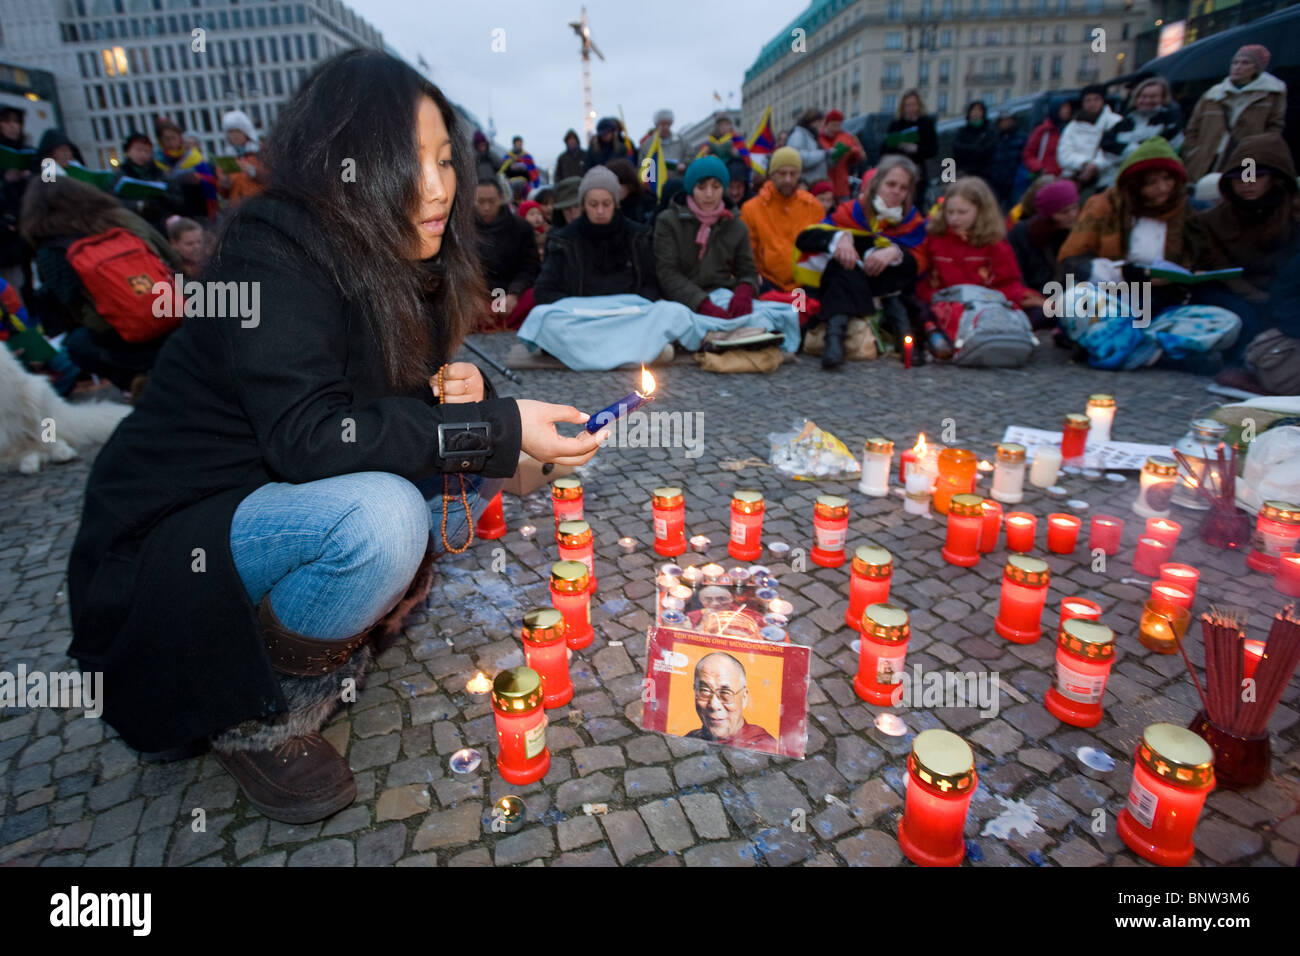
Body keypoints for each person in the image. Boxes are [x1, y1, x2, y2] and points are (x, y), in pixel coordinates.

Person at [66, 51, 604, 822]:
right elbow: (311, 436)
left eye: (446, 160)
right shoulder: (271, 248)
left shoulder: (392, 256)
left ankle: (331, 627)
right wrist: (494, 426)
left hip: (271, 500)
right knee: (386, 517)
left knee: (461, 456)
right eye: (407, 161)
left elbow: (380, 410)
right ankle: (258, 716)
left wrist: (462, 397)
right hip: (170, 539)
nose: (438, 187)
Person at [20, 176, 183, 394]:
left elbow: (75, 308)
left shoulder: (51, 249)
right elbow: (172, 259)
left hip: (122, 338)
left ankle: (136, 383)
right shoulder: (123, 218)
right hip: (175, 315)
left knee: (77, 345)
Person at [795, 155, 930, 368]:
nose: (896, 192)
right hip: (849, 283)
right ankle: (834, 341)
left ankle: (905, 341)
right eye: (891, 184)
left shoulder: (913, 221)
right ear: (877, 184)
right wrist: (839, 239)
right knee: (841, 266)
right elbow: (805, 239)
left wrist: (895, 252)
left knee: (897, 281)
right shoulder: (852, 211)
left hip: (885, 287)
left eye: (903, 188)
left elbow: (919, 263)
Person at [1058, 136, 1210, 318]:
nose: (1162, 188)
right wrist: (1131, 274)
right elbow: (1074, 262)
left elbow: (1202, 257)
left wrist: (1188, 274)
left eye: (1167, 179)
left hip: (1171, 295)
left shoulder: (1188, 211)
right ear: (1136, 185)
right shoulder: (1105, 207)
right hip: (1114, 291)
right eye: (1151, 183)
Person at [1196, 133, 1300, 365]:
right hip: (1233, 290)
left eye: (1257, 176)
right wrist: (1260, 298)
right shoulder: (1212, 221)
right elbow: (1219, 267)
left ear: (1276, 178)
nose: (1246, 183)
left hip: (1284, 293)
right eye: (1238, 177)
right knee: (1247, 319)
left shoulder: (1293, 216)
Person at [918, 176, 1042, 319]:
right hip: (942, 307)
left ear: (981, 211)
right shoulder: (934, 237)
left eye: (962, 212)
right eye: (950, 212)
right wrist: (937, 299)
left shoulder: (994, 242)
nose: (954, 218)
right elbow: (922, 281)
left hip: (987, 309)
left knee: (1039, 313)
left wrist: (1020, 297)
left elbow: (1008, 282)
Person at [533, 165, 658, 304]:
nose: (600, 211)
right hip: (579, 317)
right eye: (593, 204)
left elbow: (651, 283)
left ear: (616, 204)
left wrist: (636, 305)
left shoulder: (638, 236)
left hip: (631, 315)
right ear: (583, 205)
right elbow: (544, 289)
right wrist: (575, 307)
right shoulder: (563, 241)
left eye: (606, 204)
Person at [653, 156, 759, 317]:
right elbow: (668, 273)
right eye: (701, 187)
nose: (709, 194)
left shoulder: (736, 225)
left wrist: (744, 291)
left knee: (772, 316)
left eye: (716, 187)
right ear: (691, 189)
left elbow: (748, 271)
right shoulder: (669, 222)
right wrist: (701, 304)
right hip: (681, 301)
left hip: (723, 295)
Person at [1182, 45, 1287, 183]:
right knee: (1204, 194)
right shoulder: (1213, 95)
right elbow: (1193, 129)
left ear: (1256, 68)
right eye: (1235, 62)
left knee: (1244, 192)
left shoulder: (1272, 93)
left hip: (1248, 159)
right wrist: (1193, 153)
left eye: (1245, 63)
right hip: (1208, 158)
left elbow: (1274, 127)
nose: (1238, 67)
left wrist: (1260, 153)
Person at [739, 146, 824, 292]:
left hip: (805, 284)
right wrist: (754, 275)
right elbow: (746, 253)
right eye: (782, 173)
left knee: (801, 313)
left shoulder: (812, 206)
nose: (788, 179)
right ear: (772, 174)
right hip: (768, 284)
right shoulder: (751, 209)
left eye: (793, 173)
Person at [473, 177, 541, 331]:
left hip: (512, 293)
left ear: (502, 199)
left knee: (536, 297)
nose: (486, 207)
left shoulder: (521, 228)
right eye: (481, 202)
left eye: (492, 201)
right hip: (478, 297)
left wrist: (513, 295)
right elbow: (460, 269)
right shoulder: (464, 230)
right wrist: (473, 297)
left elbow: (530, 267)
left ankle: (492, 324)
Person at [1099, 77, 1184, 188]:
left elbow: (1161, 153)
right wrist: (1139, 149)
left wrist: (1126, 151)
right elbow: (1106, 148)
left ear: (1163, 98)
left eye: (1153, 97)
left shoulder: (1171, 124)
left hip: (1152, 186)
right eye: (1143, 96)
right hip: (1116, 182)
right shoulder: (1122, 124)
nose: (1147, 100)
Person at [684, 653, 778, 753]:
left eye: (725, 693)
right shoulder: (691, 737)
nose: (714, 705)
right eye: (704, 691)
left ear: (744, 698)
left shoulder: (762, 746)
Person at [1007, 178, 1079, 298]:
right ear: (1050, 215)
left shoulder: (1071, 230)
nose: (1073, 215)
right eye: (1064, 212)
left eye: (1075, 208)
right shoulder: (1023, 235)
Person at [1056, 85, 1122, 193]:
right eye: (1088, 100)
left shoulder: (1115, 122)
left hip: (1107, 181)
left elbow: (1115, 152)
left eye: (1096, 99)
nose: (1092, 103)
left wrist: (1095, 166)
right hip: (1076, 180)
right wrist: (1084, 164)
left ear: (1102, 101)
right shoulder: (1072, 126)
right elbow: (1064, 154)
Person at [881, 90, 938, 209]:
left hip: (918, 173)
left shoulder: (926, 124)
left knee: (916, 206)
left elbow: (933, 150)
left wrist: (917, 149)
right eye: (907, 105)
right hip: (898, 169)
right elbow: (884, 149)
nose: (910, 108)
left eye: (913, 104)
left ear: (919, 106)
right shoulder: (896, 124)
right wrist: (898, 145)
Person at [154, 117, 218, 221]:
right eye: (166, 139)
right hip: (172, 213)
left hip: (198, 211)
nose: (171, 142)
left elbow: (211, 180)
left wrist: (199, 179)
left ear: (180, 137)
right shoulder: (157, 162)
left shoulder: (194, 157)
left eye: (173, 137)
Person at [114, 132, 176, 234]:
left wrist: (161, 199)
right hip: (131, 226)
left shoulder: (159, 174)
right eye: (138, 150)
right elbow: (113, 201)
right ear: (128, 151)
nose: (143, 154)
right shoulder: (119, 176)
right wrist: (137, 205)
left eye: (147, 151)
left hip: (160, 226)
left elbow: (176, 198)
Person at [1, 106, 33, 294]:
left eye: (16, 122)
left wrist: (31, 176)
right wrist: (5, 179)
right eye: (7, 121)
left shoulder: (30, 151)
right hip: (8, 228)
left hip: (31, 219)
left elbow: (51, 180)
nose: (13, 127)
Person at [216, 109, 267, 209]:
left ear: (246, 132)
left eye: (238, 131)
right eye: (230, 132)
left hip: (260, 206)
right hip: (237, 209)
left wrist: (255, 172)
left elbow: (274, 179)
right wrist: (224, 184)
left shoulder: (261, 153)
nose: (234, 135)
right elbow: (223, 194)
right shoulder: (225, 158)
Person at [1022, 95, 1073, 182]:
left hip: (1067, 179)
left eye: (1068, 107)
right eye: (1063, 107)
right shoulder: (1043, 130)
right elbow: (1029, 154)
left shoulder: (1072, 129)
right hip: (1046, 178)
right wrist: (1040, 169)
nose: (1067, 110)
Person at [819, 109, 865, 202]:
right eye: (834, 124)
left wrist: (851, 152)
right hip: (824, 183)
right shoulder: (819, 137)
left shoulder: (845, 137)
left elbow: (858, 155)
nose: (837, 127)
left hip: (842, 186)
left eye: (839, 124)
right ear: (827, 124)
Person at [989, 112, 1028, 210]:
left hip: (1016, 183)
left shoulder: (1022, 138)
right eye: (1003, 120)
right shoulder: (994, 139)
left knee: (1017, 211)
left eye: (1008, 120)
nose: (1006, 123)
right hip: (997, 183)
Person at [952, 101, 997, 183]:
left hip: (984, 175)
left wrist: (969, 150)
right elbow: (956, 148)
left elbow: (988, 151)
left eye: (979, 110)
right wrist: (976, 149)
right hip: (964, 173)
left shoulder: (990, 131)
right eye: (973, 110)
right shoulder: (961, 131)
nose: (976, 113)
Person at [606, 157, 659, 226]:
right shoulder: (605, 205)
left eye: (620, 183)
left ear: (630, 184)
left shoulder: (646, 204)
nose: (615, 188)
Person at [786, 108, 829, 185]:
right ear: (811, 121)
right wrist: (823, 154)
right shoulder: (798, 135)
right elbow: (798, 157)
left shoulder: (811, 136)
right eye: (818, 122)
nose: (820, 125)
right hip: (807, 183)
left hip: (814, 182)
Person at [640, 109, 689, 176]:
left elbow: (691, 157)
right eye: (663, 124)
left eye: (668, 124)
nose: (666, 127)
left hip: (680, 180)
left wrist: (685, 164)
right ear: (656, 125)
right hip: (657, 183)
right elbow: (642, 166)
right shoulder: (647, 145)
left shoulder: (682, 141)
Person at [167, 215, 208, 279]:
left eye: (199, 241)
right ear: (173, 244)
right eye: (189, 244)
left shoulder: (211, 260)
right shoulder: (172, 273)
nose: (197, 247)